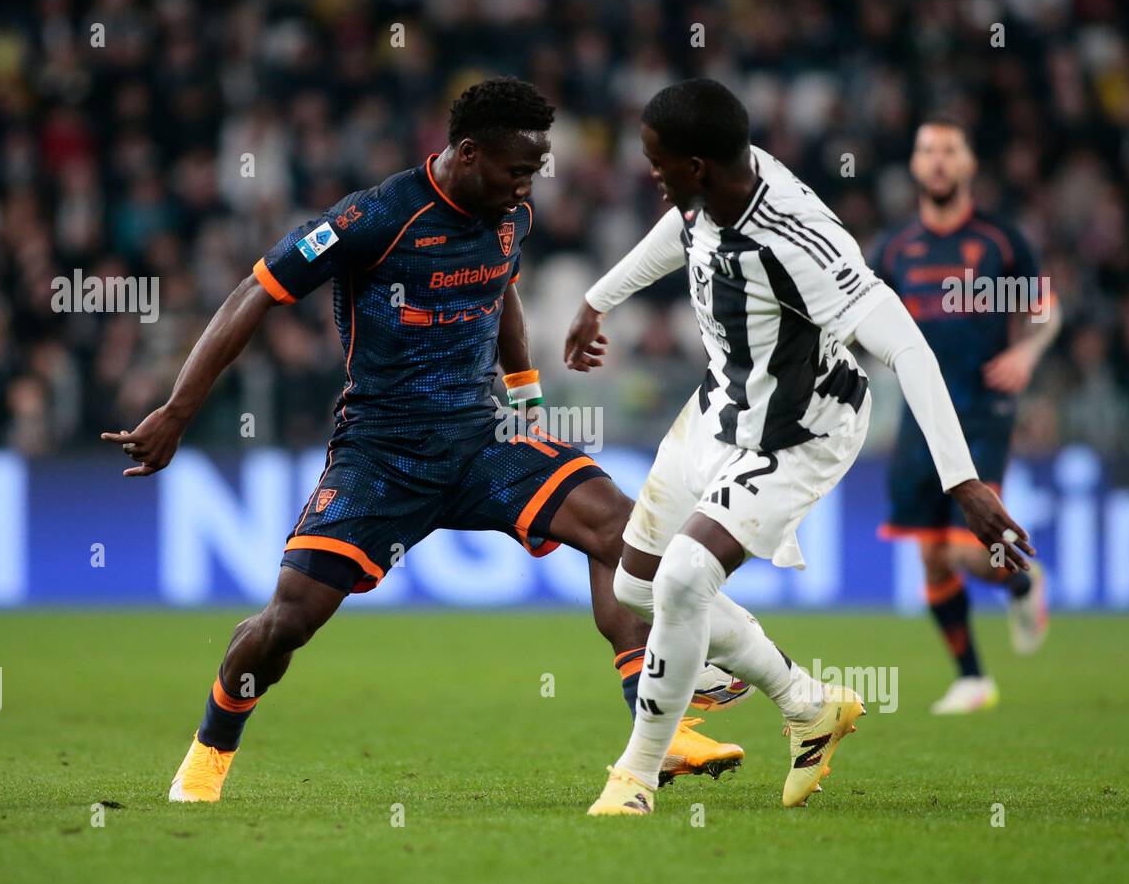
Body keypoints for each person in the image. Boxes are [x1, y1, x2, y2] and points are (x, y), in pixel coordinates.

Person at [101, 78, 741, 802]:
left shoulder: (511, 214)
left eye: (536, 168)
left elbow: (501, 286)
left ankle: (660, 725)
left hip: (481, 439)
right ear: (467, 153)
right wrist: (178, 412)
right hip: (383, 454)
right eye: (518, 169)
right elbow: (255, 292)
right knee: (286, 624)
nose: (529, 184)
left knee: (623, 533)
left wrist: (525, 390)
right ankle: (209, 755)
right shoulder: (372, 218)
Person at [563, 80, 1033, 816]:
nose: (648, 170)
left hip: (802, 430)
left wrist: (963, 481)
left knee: (686, 579)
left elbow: (908, 348)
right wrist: (599, 298)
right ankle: (808, 704)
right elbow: (681, 230)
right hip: (720, 407)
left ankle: (635, 777)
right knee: (635, 589)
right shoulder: (710, 185)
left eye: (658, 161)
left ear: (697, 165)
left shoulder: (799, 240)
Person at [870, 118, 1060, 714]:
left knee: (971, 550)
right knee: (930, 552)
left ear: (969, 163)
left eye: (950, 150)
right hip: (920, 415)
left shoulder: (1001, 242)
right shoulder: (896, 249)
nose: (938, 161)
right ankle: (973, 678)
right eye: (927, 150)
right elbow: (866, 320)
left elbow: (1046, 309)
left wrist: (1026, 353)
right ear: (915, 165)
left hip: (982, 408)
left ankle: (1022, 581)